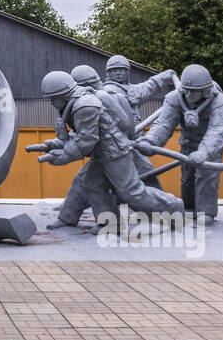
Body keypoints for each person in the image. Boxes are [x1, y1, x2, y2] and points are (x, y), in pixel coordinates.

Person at [39, 66, 183, 229]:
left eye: (53, 98)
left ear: (63, 93)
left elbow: (87, 140)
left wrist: (63, 156)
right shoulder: (74, 103)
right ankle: (111, 224)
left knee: (131, 192)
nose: (51, 103)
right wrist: (57, 144)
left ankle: (173, 207)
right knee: (92, 185)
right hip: (103, 152)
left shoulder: (84, 105)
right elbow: (84, 134)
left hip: (115, 152)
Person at [139, 64, 223, 222]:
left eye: (194, 91)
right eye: (187, 90)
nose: (189, 94)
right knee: (187, 178)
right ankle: (189, 207)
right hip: (188, 143)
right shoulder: (174, 98)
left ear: (205, 90)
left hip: (210, 147)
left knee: (206, 176)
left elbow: (217, 132)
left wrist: (204, 153)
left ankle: (206, 212)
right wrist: (150, 141)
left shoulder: (221, 104)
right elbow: (163, 124)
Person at [101, 54, 178, 189]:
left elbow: (149, 86)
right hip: (120, 142)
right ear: (109, 73)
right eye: (114, 70)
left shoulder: (131, 90)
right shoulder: (106, 92)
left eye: (121, 69)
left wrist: (167, 75)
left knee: (121, 175)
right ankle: (160, 203)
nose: (118, 73)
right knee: (144, 171)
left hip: (133, 140)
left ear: (127, 72)